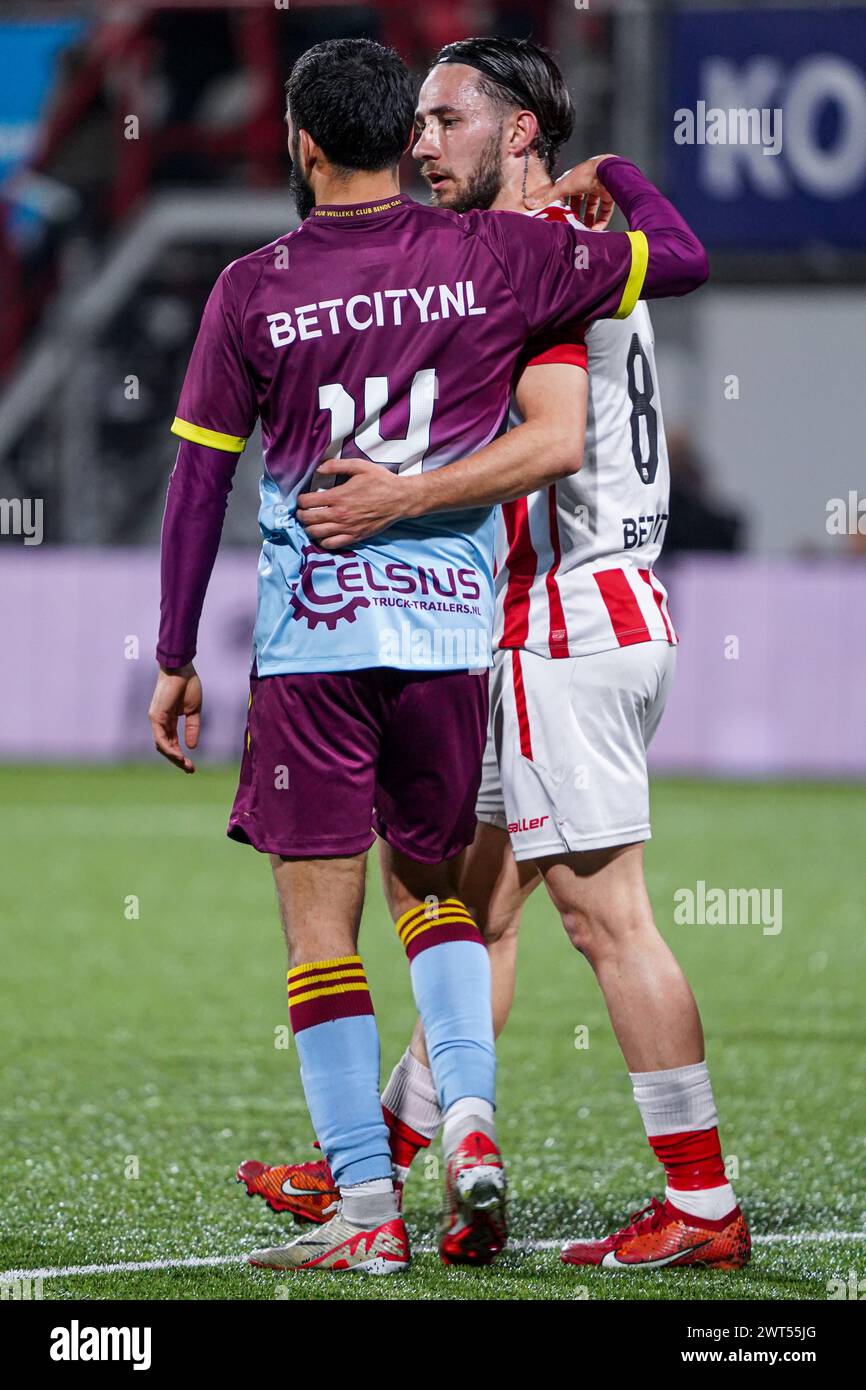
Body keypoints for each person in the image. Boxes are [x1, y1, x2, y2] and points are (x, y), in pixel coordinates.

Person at [150, 36, 708, 1275]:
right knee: (461, 901)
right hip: (475, 635)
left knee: (384, 927)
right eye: (422, 119)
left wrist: (182, 648)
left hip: (426, 633)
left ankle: (390, 1199)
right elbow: (678, 258)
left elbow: (201, 483)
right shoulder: (515, 259)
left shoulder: (282, 282)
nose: (432, 141)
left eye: (454, 119)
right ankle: (447, 1131)